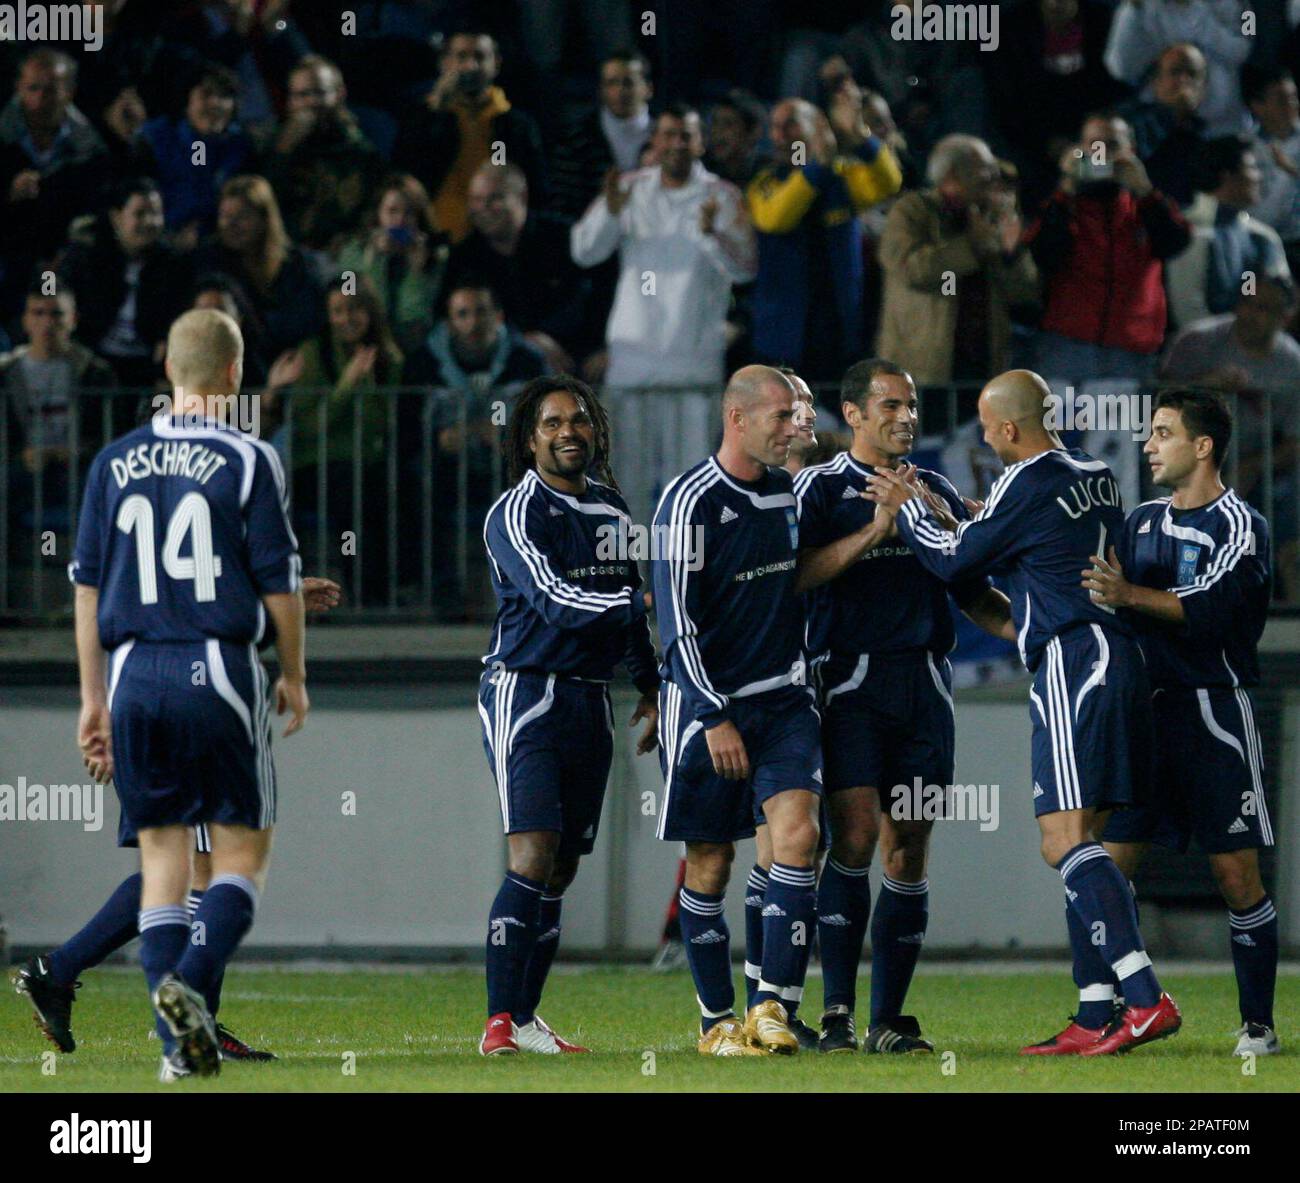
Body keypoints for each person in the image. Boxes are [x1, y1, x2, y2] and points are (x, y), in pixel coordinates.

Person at [866, 369, 1181, 1056]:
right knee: (1087, 840)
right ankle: (1096, 1010)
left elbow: (954, 560)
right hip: (1116, 654)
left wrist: (908, 508)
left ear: (1008, 429)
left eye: (985, 425)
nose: (982, 434)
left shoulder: (1024, 479)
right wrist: (973, 522)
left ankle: (1144, 995)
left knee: (1061, 838)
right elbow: (1030, 543)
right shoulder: (1095, 471)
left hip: (1071, 660)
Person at [67, 308, 308, 1080]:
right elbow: (281, 583)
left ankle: (176, 1054)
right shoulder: (250, 458)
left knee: (164, 860)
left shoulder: (111, 462)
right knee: (243, 855)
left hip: (133, 669)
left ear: (168, 371)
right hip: (218, 666)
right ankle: (189, 986)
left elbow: (86, 588)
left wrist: (91, 698)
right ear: (234, 374)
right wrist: (296, 672)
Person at [13, 578, 339, 1062]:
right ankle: (188, 1018)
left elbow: (134, 598)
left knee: (179, 870)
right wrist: (279, 602)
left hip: (142, 696)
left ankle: (62, 971)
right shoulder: (194, 514)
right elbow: (192, 599)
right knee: (211, 872)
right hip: (190, 699)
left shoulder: (130, 526)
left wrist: (103, 710)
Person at [791, 359, 1015, 1053]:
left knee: (909, 845)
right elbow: (793, 578)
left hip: (924, 684)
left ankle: (889, 1018)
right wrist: (874, 530)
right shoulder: (818, 490)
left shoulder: (936, 489)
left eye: (912, 405)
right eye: (890, 404)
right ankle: (835, 1015)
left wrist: (1037, 635)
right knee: (852, 837)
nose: (906, 417)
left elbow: (971, 590)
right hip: (851, 681)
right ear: (852, 414)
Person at [1083, 388, 1279, 1058]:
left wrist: (1129, 594)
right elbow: (1095, 584)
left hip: (1213, 711)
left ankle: (1257, 1023)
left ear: (1203, 445)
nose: (1148, 444)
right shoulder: (1137, 523)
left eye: (1163, 432)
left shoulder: (1241, 524)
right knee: (1106, 867)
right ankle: (1106, 1009)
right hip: (1143, 714)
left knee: (1236, 874)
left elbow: (1214, 606)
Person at [477, 375, 660, 1054]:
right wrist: (634, 608)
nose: (568, 432)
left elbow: (628, 602)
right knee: (531, 853)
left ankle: (524, 1018)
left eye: (578, 420)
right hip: (526, 691)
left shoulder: (612, 512)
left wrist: (651, 684)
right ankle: (498, 1021)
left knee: (561, 869)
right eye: (552, 423)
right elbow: (553, 599)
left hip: (589, 696)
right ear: (530, 440)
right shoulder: (516, 512)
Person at [652, 364, 823, 1057]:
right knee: (712, 862)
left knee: (799, 837)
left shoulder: (786, 492)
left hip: (783, 700)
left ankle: (772, 1008)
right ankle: (715, 1021)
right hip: (708, 710)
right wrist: (711, 713)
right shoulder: (685, 502)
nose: (796, 428)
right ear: (739, 419)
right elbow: (675, 623)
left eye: (798, 416)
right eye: (782, 416)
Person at [571, 103, 757, 524]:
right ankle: (631, 582)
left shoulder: (722, 195)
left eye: (686, 136)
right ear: (653, 141)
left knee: (689, 485)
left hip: (693, 362)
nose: (676, 144)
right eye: (669, 135)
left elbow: (745, 268)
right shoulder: (630, 188)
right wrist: (610, 211)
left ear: (700, 142)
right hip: (633, 361)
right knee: (625, 482)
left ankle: (684, 584)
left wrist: (712, 236)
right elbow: (584, 251)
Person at [1160, 276, 1300, 601]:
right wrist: (1205, 385)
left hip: (1259, 465)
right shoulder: (1198, 341)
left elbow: (1295, 441)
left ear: (1284, 318)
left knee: (1289, 499)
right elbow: (1157, 405)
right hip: (1188, 460)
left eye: (1263, 308)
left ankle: (1291, 619)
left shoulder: (1292, 363)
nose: (1250, 314)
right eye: (1246, 304)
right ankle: (1179, 604)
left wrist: (1251, 467)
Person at [1024, 112, 1189, 384]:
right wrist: (1066, 188)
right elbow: (1044, 254)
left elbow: (1174, 243)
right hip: (1066, 345)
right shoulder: (1063, 204)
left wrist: (1145, 191)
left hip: (1130, 348)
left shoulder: (1146, 205)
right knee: (1061, 427)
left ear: (1131, 151)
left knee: (1120, 428)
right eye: (1094, 145)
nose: (1101, 154)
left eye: (1111, 145)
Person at [747, 96, 902, 381]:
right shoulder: (764, 181)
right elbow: (776, 218)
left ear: (817, 126)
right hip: (781, 336)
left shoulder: (840, 178)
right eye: (775, 127)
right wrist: (819, 164)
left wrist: (858, 135)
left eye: (790, 125)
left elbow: (888, 181)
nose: (780, 136)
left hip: (838, 330)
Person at [876, 134, 1038, 386]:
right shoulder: (912, 211)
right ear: (952, 174)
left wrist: (1011, 253)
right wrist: (972, 246)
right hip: (922, 369)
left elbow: (1024, 293)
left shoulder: (993, 217)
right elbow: (910, 269)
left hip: (984, 368)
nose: (993, 176)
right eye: (985, 167)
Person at [395, 29, 546, 243]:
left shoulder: (518, 125)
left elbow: (536, 190)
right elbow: (406, 173)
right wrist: (437, 109)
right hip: (433, 238)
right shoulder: (419, 116)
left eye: (480, 57)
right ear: (444, 63)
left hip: (497, 243)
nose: (470, 66)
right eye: (461, 57)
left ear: (496, 64)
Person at [446, 163, 593, 374]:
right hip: (503, 368)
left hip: (577, 357)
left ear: (522, 197)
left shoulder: (566, 239)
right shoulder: (464, 257)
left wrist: (550, 337)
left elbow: (590, 297)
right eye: (477, 200)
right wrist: (523, 341)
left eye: (494, 199)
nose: (484, 208)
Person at [57, 176, 194, 390]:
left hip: (149, 365)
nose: (150, 222)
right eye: (140, 214)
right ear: (116, 217)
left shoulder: (173, 264)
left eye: (155, 214)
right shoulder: (85, 258)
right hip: (94, 361)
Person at [0, 50, 108, 318]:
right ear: (18, 88)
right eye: (32, 88)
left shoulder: (90, 148)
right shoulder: (3, 138)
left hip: (60, 262)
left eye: (50, 90)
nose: (39, 99)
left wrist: (67, 251)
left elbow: (95, 212)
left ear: (69, 92)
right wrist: (7, 194)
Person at [1164, 135, 1291, 333]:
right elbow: (1187, 308)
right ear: (1227, 176)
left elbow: (1278, 301)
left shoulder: (1263, 237)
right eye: (1252, 168)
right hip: (1204, 353)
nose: (1259, 176)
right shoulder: (1191, 232)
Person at [194, 175, 327, 359]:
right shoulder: (210, 262)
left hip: (290, 358)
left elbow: (303, 321)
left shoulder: (298, 265)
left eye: (242, 216)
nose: (231, 225)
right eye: (225, 216)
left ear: (265, 219)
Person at [263, 55, 385, 254]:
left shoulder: (361, 153)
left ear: (339, 94)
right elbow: (263, 204)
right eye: (302, 95)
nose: (311, 102)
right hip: (283, 255)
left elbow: (372, 209)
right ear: (290, 101)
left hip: (342, 257)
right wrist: (283, 152)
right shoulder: (272, 147)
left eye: (319, 93)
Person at [136, 65, 254, 248]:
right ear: (187, 100)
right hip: (160, 241)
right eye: (206, 94)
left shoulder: (240, 146)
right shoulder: (155, 139)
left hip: (223, 242)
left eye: (224, 96)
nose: (216, 103)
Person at [335, 174, 449, 356]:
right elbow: (356, 308)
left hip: (417, 347)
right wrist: (374, 263)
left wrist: (416, 274)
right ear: (378, 214)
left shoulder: (437, 258)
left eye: (409, 212)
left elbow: (415, 323)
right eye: (392, 211)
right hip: (366, 345)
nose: (400, 221)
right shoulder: (353, 254)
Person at [1104, 0, 1251, 138]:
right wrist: (1134, 11)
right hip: (1157, 130)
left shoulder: (1232, 4)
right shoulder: (1139, 7)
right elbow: (1121, 69)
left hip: (1223, 125)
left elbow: (1243, 49)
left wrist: (1197, 16)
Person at [547, 49, 655, 222]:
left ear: (648, 88)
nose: (620, 91)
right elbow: (563, 206)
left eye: (628, 82)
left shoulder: (668, 137)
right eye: (611, 83)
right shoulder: (575, 139)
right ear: (601, 90)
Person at [1116, 43, 1209, 208]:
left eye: (1192, 74)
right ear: (1156, 81)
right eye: (1175, 72)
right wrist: (1170, 115)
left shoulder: (1203, 134)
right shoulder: (1126, 120)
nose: (1184, 81)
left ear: (1203, 87)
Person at [1246, 67, 1300, 278]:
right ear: (1258, 106)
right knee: (1253, 290)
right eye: (1281, 100)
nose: (1292, 105)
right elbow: (1257, 215)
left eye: (1294, 97)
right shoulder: (1247, 150)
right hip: (1265, 246)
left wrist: (1291, 170)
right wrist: (1283, 174)